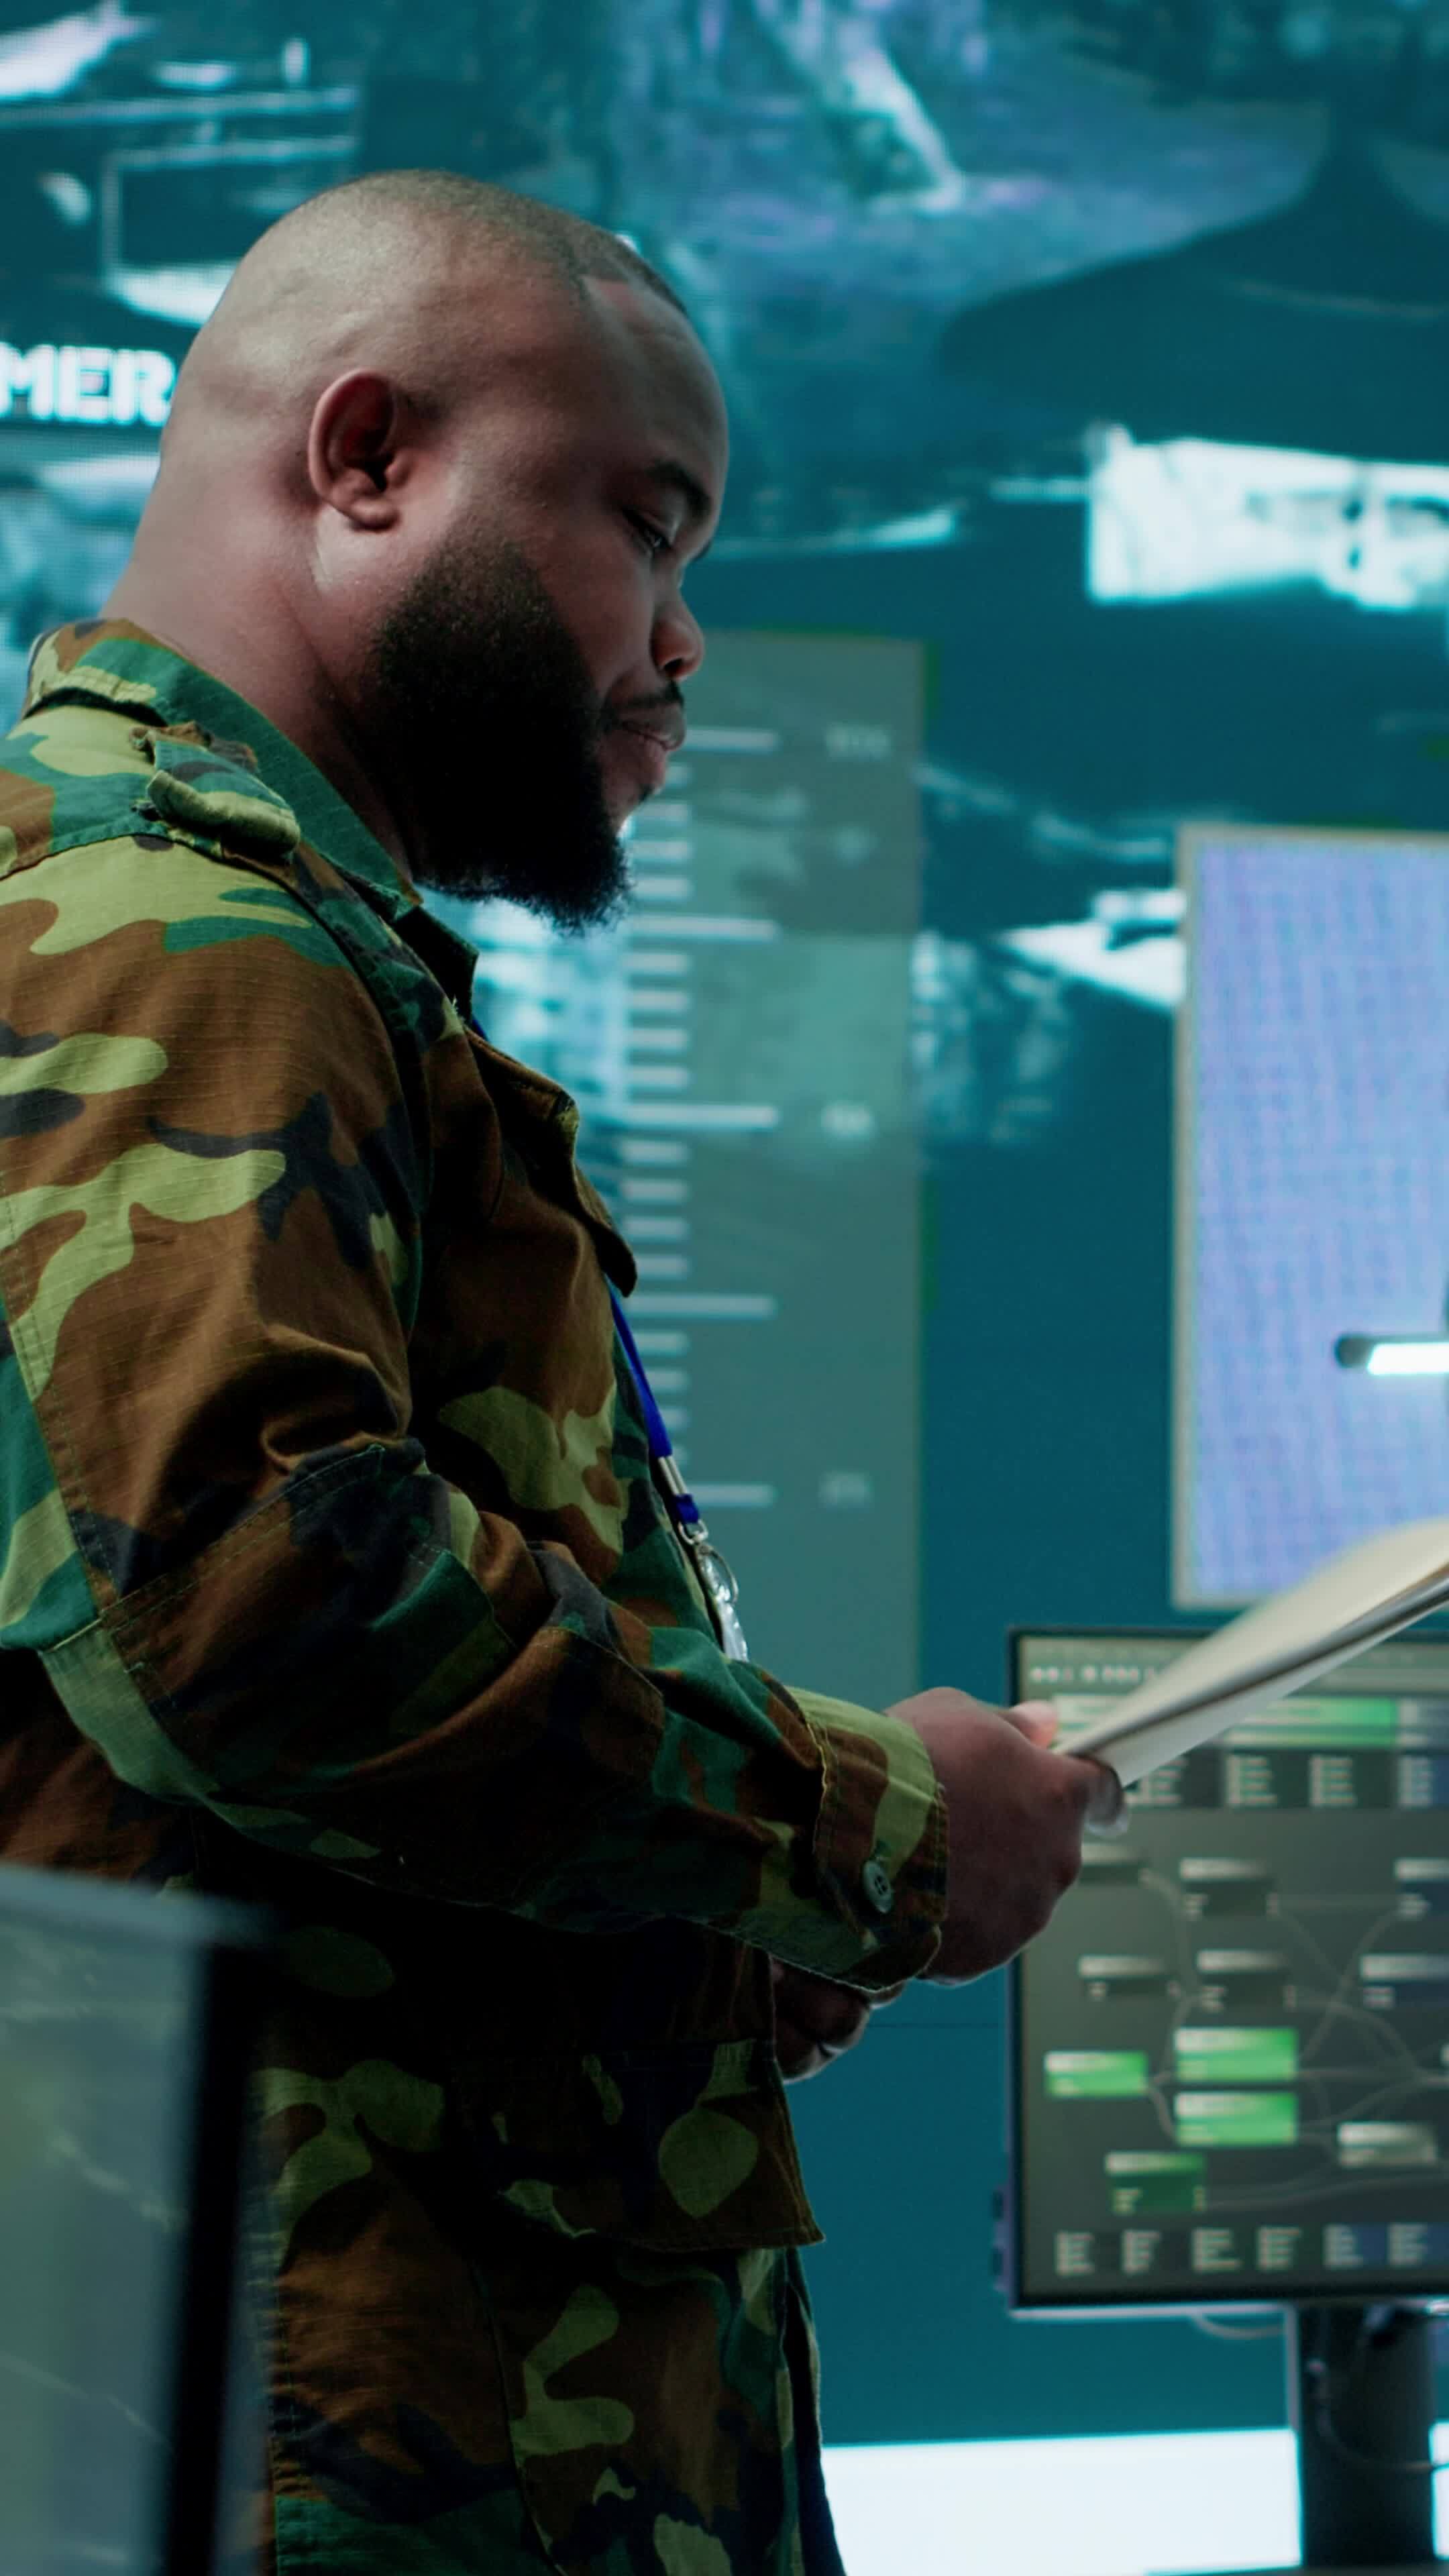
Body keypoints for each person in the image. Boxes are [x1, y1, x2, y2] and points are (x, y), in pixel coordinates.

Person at [0, 172, 1102, 2576]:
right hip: (374, 2447)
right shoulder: (178, 933)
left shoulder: (227, 921)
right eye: (647, 523)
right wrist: (871, 1828)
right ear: (368, 456)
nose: (682, 638)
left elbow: (190, 1800)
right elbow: (264, 1615)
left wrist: (690, 1936)